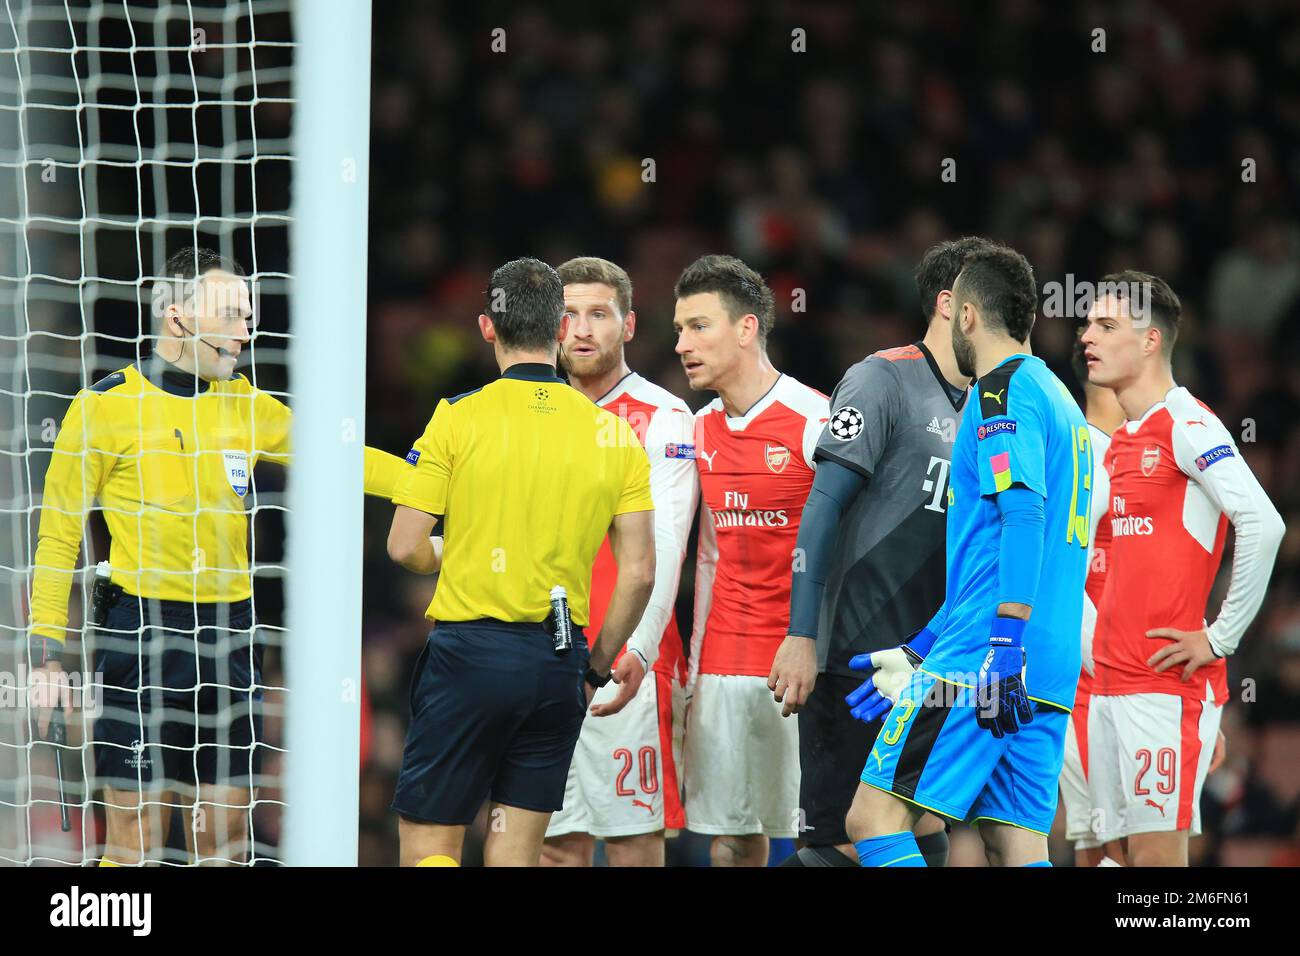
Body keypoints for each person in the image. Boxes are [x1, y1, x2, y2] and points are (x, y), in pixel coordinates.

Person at [26, 247, 406, 865]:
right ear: (177, 318)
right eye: (231, 313)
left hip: (230, 639)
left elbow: (347, 460)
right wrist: (45, 656)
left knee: (222, 843)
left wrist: (441, 478)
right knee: (133, 843)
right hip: (139, 638)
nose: (247, 328)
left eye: (250, 314)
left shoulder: (249, 406)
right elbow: (58, 535)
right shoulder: (102, 408)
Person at [386, 257, 656, 867]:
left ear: (487, 327)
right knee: (519, 850)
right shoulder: (614, 436)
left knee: (432, 841)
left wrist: (452, 552)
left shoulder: (458, 417)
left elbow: (404, 545)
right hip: (557, 665)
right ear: (561, 329)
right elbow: (639, 573)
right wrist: (594, 669)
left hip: (469, 658)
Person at [844, 243, 1090, 867]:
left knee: (874, 817)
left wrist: (1003, 642)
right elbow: (990, 551)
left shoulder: (1001, 396)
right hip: (1050, 665)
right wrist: (920, 645)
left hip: (987, 657)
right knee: (1013, 837)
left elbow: (1023, 515)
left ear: (969, 316)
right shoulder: (1061, 400)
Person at [771, 237, 990, 867]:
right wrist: (801, 635)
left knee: (920, 831)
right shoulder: (881, 379)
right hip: (855, 659)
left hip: (933, 664)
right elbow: (822, 508)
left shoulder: (991, 406)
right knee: (841, 839)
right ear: (953, 306)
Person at [1079, 271, 1284, 866]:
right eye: (1089, 322)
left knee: (1154, 866)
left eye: (1106, 325)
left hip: (1160, 688)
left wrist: (1219, 639)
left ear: (1149, 341)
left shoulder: (1187, 423)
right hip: (1109, 687)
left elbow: (1264, 524)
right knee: (1105, 859)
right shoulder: (1123, 440)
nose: (1087, 334)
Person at [674, 254, 828, 866]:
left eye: (698, 326)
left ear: (746, 329)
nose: (683, 343)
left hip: (800, 661)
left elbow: (845, 553)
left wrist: (813, 640)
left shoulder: (817, 420)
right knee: (733, 840)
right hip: (723, 661)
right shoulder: (698, 428)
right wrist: (694, 668)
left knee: (823, 831)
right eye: (679, 329)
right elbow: (706, 557)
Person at [541, 257, 696, 867]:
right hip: (544, 657)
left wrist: (637, 649)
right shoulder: (533, 411)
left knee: (632, 847)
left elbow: (669, 545)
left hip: (628, 657)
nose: (581, 329)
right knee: (556, 849)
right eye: (568, 314)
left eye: (598, 315)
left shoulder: (662, 417)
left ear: (628, 325)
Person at [1056, 333, 1125, 866]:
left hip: (1142, 681)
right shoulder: (1076, 453)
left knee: (1122, 842)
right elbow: (1057, 578)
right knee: (1103, 845)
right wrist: (1101, 656)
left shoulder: (1152, 449)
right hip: (1092, 682)